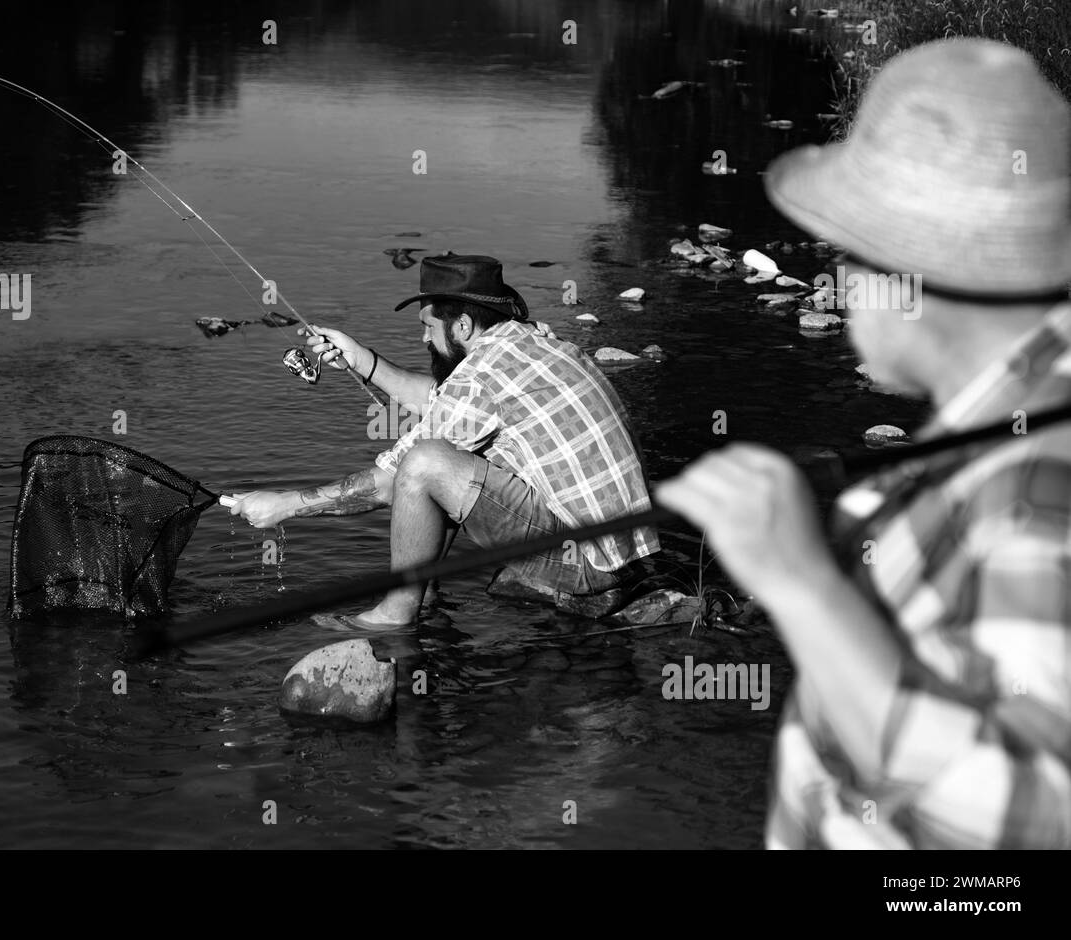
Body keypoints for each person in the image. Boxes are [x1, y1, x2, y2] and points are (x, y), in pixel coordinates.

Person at [656, 38, 1071, 848]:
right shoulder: (1027, 417)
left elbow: (1035, 814)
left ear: (908, 269)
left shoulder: (1033, 490)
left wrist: (803, 583)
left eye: (848, 250)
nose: (838, 281)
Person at [231, 252, 661, 628]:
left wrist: (286, 504)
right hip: (626, 550)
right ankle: (426, 594)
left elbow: (390, 481)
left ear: (463, 325)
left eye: (428, 327)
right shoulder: (528, 343)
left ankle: (396, 614)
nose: (423, 338)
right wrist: (362, 360)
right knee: (457, 448)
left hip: (588, 565)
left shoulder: (481, 374)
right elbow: (443, 405)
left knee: (424, 464)